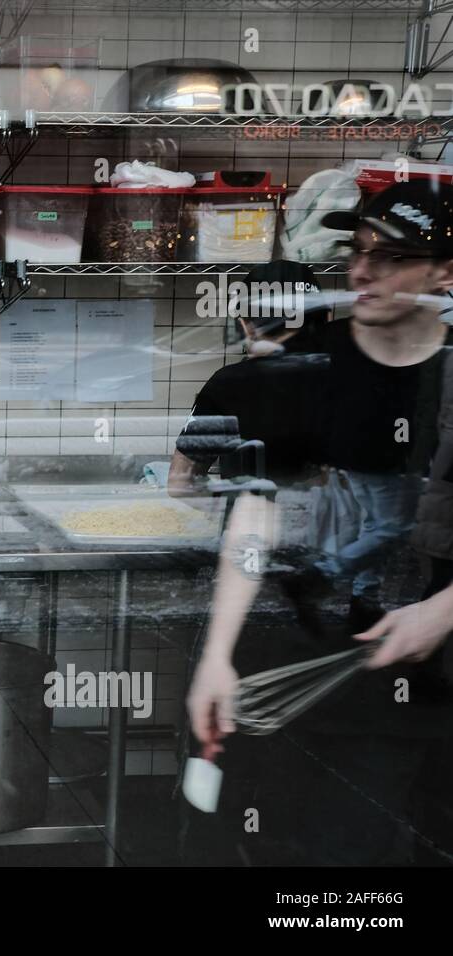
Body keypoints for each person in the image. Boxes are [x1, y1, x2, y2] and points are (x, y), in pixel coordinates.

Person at [184, 180, 453, 865]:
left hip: (407, 684)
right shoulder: (304, 370)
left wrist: (442, 612)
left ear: (444, 273)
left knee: (350, 860)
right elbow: (257, 510)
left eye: (391, 256)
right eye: (358, 249)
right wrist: (217, 654)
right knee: (242, 841)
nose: (363, 269)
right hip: (275, 665)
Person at [168, 260, 332, 497]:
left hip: (248, 529)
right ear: (325, 318)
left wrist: (237, 508)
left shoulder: (227, 385)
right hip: (330, 529)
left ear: (246, 326)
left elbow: (180, 484)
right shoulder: (350, 379)